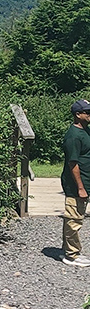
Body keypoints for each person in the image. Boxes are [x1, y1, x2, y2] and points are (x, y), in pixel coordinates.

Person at [61, 99, 90, 267]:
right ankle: (71, 255)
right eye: (87, 112)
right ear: (78, 115)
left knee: (77, 217)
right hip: (76, 184)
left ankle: (72, 250)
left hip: (86, 181)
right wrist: (80, 187)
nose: (89, 114)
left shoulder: (85, 131)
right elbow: (73, 164)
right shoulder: (73, 136)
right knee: (74, 219)